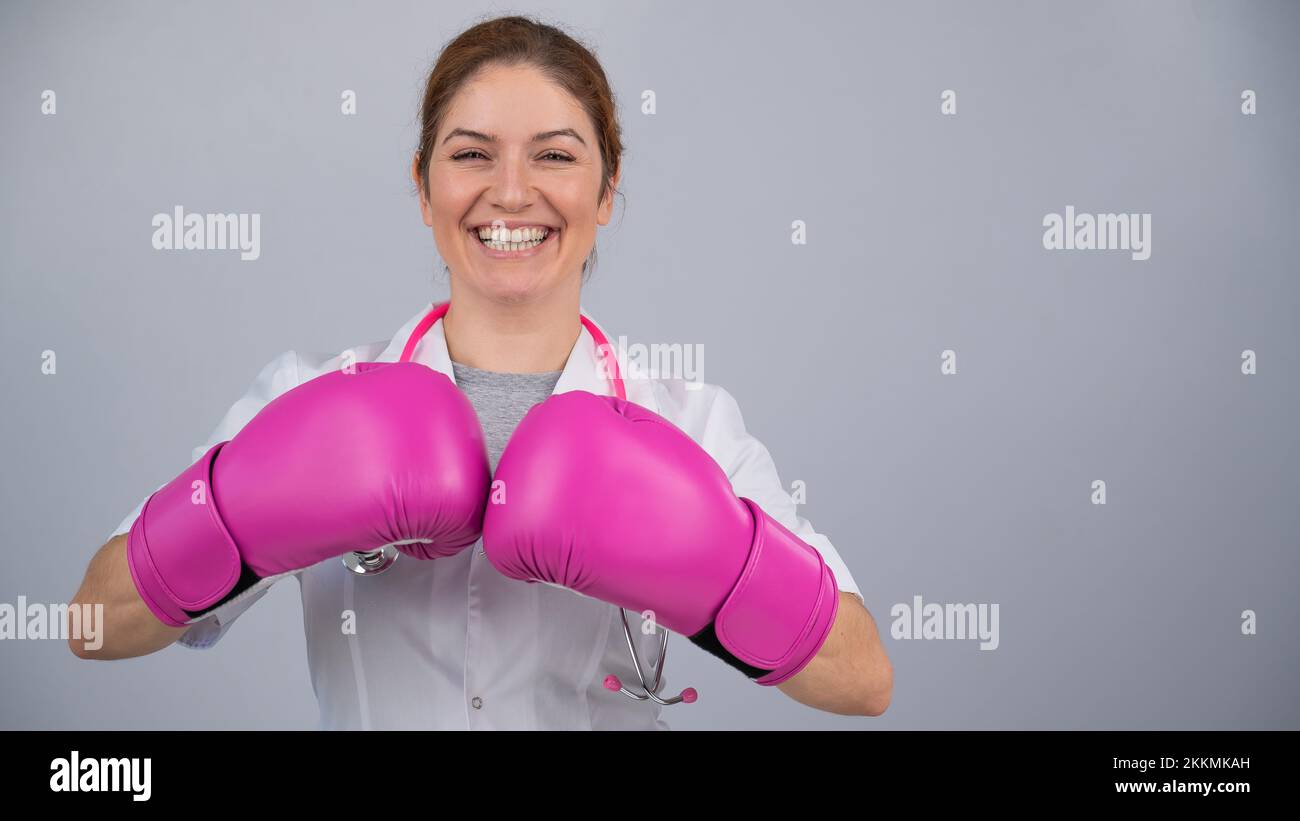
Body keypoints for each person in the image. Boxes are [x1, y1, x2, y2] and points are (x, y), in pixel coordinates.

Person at [69, 14, 893, 730]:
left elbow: (861, 680)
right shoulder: (311, 397)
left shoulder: (690, 420)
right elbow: (94, 624)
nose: (510, 192)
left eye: (555, 156)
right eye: (471, 154)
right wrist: (241, 517)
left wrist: (717, 562)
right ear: (423, 188)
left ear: (607, 189)